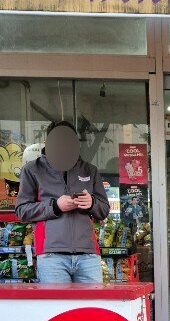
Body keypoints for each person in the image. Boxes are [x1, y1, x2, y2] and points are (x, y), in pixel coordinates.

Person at [16, 120, 110, 283]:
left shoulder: (90, 170)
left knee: (92, 306)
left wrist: (92, 203)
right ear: (47, 143)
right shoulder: (32, 170)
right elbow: (22, 210)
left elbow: (104, 210)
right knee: (57, 307)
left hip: (88, 254)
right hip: (51, 255)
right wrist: (55, 206)